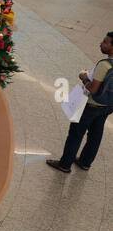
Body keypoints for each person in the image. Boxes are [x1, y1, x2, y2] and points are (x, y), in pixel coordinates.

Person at [47, 31, 113, 173]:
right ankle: (85, 162)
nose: (101, 43)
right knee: (96, 134)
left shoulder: (105, 65)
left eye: (106, 42)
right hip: (108, 105)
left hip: (91, 105)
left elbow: (93, 89)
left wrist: (83, 77)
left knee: (76, 133)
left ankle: (65, 164)